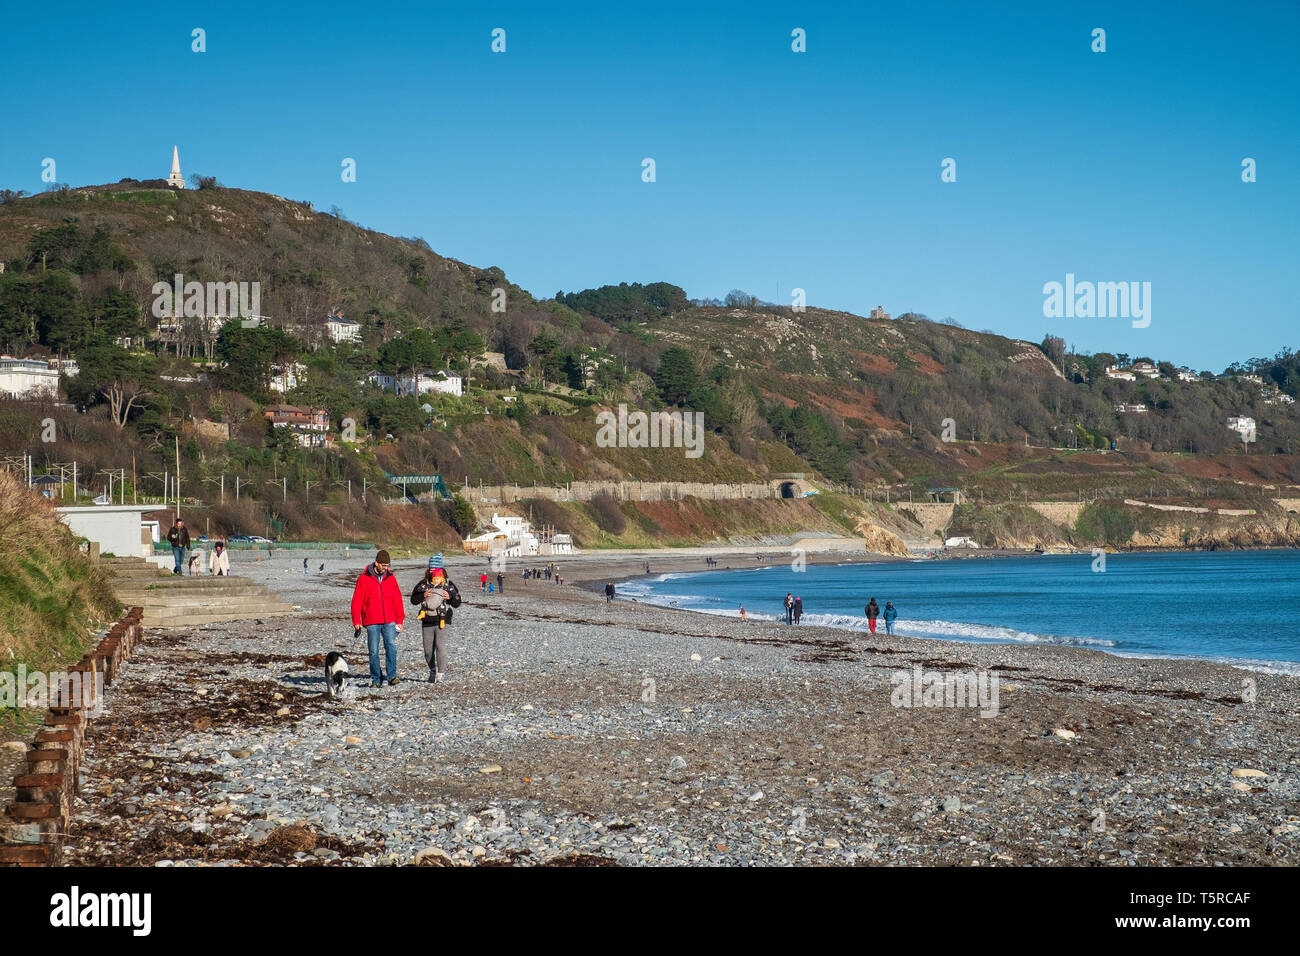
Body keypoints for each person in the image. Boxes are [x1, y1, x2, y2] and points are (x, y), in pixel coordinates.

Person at [350, 549, 405, 687]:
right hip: (371, 620)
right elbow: (357, 600)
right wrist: (356, 620)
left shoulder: (391, 578)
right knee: (373, 651)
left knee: (391, 646)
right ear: (377, 563)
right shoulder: (363, 579)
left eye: (388, 565)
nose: (386, 568)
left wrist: (400, 620)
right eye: (384, 565)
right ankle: (376, 679)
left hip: (389, 619)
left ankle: (392, 676)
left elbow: (397, 599)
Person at [410, 554, 461, 684]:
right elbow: (413, 600)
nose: (433, 571)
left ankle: (441, 674)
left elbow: (457, 603)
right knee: (427, 651)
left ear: (442, 570)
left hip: (443, 620)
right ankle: (433, 669)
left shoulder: (448, 584)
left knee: (440, 646)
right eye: (431, 568)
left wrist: (450, 597)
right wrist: (423, 595)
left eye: (436, 568)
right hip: (427, 620)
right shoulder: (423, 584)